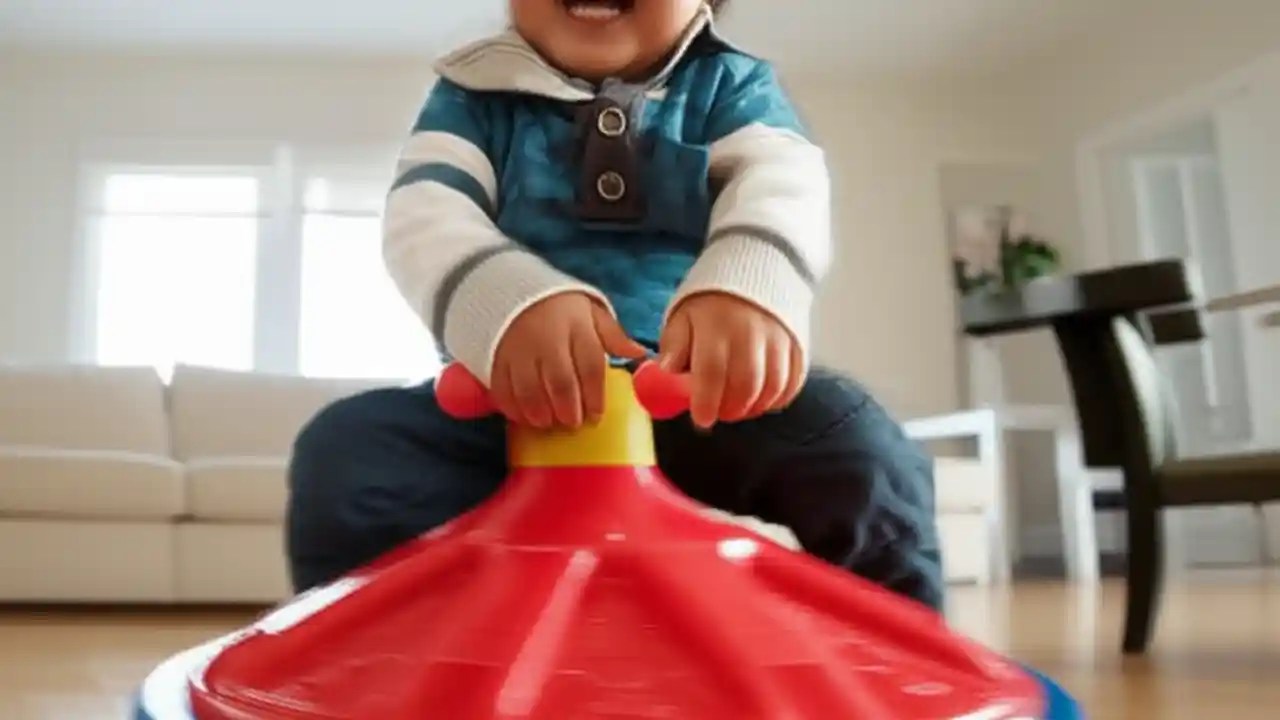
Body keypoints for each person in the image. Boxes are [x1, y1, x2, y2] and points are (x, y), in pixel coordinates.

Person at [287, 0, 944, 611]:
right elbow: (425, 212)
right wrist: (506, 302)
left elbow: (782, 186)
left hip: (698, 396)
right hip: (504, 403)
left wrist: (745, 286)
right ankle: (372, 655)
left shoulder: (733, 87)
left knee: (859, 445)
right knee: (344, 451)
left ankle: (909, 663)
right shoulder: (470, 94)